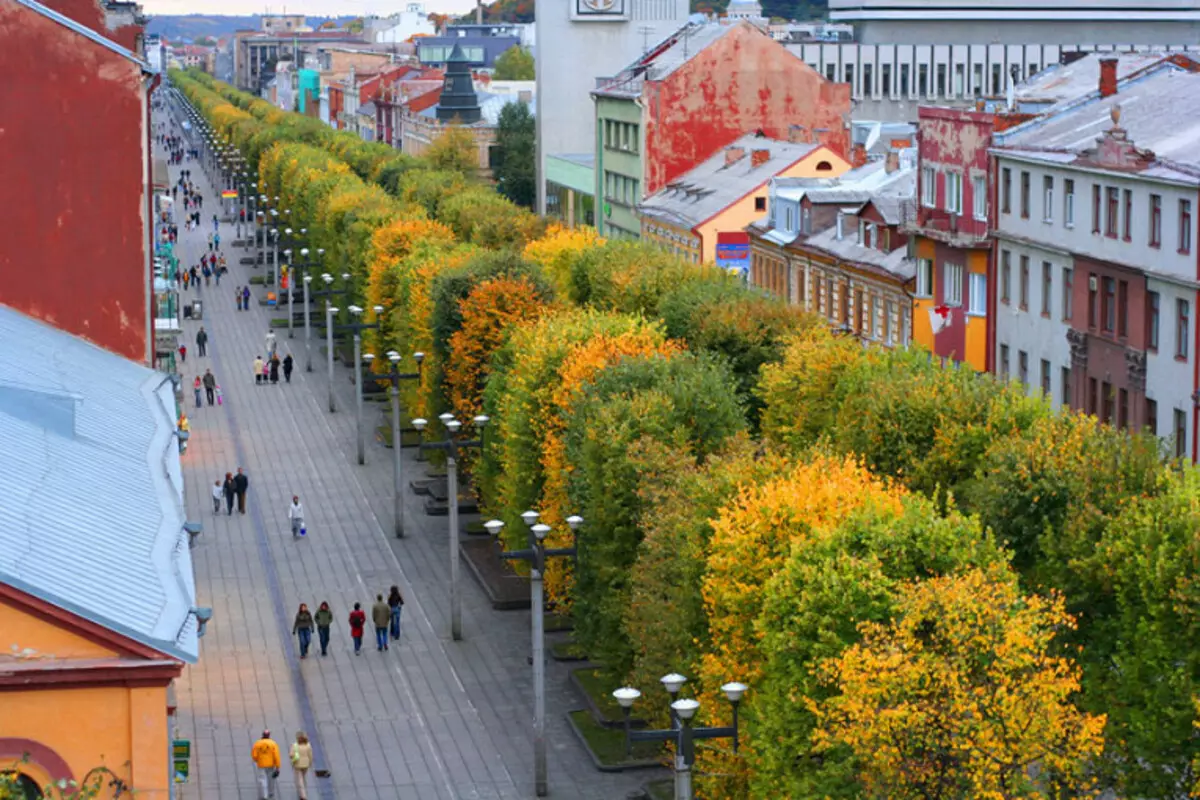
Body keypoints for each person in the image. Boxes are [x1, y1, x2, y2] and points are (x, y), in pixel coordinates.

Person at [250, 730, 280, 800]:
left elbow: (254, 755)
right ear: (269, 735)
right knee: (271, 778)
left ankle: (264, 795)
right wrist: (277, 766)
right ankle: (271, 792)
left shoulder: (258, 743)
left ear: (262, 735)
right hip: (271, 764)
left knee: (262, 779)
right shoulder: (273, 744)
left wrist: (257, 760)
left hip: (261, 764)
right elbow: (276, 756)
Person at [290, 732, 314, 800]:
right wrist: (310, 763)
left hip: (297, 764)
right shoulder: (308, 745)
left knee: (299, 779)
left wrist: (294, 756)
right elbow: (310, 755)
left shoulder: (295, 745)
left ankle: (303, 795)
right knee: (303, 778)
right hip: (306, 764)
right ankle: (303, 791)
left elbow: (291, 755)